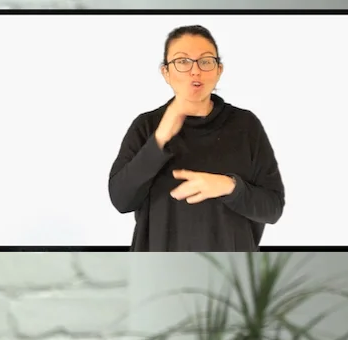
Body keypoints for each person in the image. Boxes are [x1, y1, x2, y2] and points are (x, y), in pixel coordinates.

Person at [108, 25, 285, 251]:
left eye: (205, 61)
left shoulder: (245, 125)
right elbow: (121, 200)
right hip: (160, 265)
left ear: (219, 70)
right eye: (182, 61)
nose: (195, 71)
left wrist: (228, 186)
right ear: (165, 72)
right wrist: (159, 140)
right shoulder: (146, 126)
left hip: (231, 268)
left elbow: (273, 208)